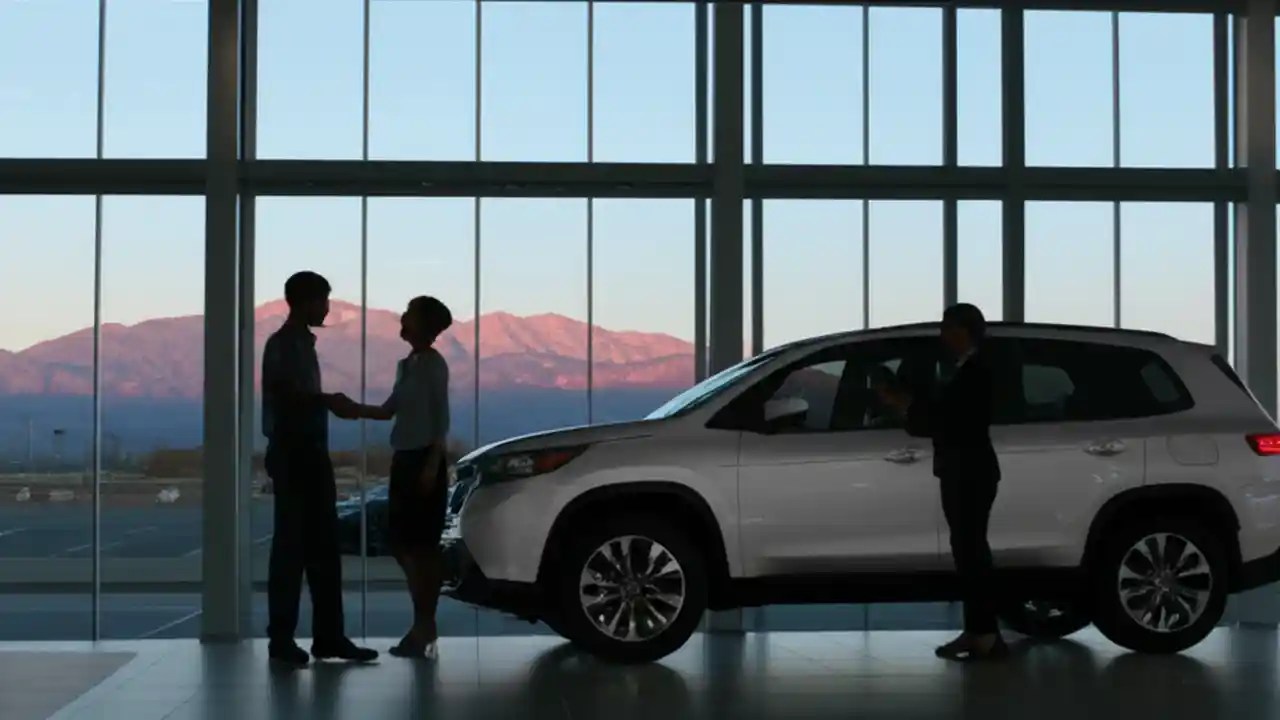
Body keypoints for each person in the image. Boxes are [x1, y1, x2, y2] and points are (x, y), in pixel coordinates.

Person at [877, 303, 1007, 661]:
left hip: (968, 470)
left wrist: (905, 406)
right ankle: (980, 631)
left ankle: (984, 634)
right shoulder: (968, 370)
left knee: (971, 552)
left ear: (966, 331)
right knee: (969, 552)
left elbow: (951, 422)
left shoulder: (975, 372)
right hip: (968, 469)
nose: (943, 335)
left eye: (948, 328)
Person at [262, 270, 378, 667]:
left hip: (305, 454)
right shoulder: (286, 346)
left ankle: (325, 637)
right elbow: (287, 398)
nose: (328, 308)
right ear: (307, 301)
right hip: (298, 455)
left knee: (319, 550)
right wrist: (327, 402)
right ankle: (287, 639)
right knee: (295, 550)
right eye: (324, 300)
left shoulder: (295, 345)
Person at [350, 296, 453, 659]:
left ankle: (424, 623)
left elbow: (440, 419)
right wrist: (351, 409)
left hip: (424, 460)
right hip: (405, 459)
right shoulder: (407, 365)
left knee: (420, 547)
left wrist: (432, 464)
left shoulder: (433, 366)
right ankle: (423, 622)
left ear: (423, 323)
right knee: (405, 544)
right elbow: (389, 410)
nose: (403, 317)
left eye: (409, 313)